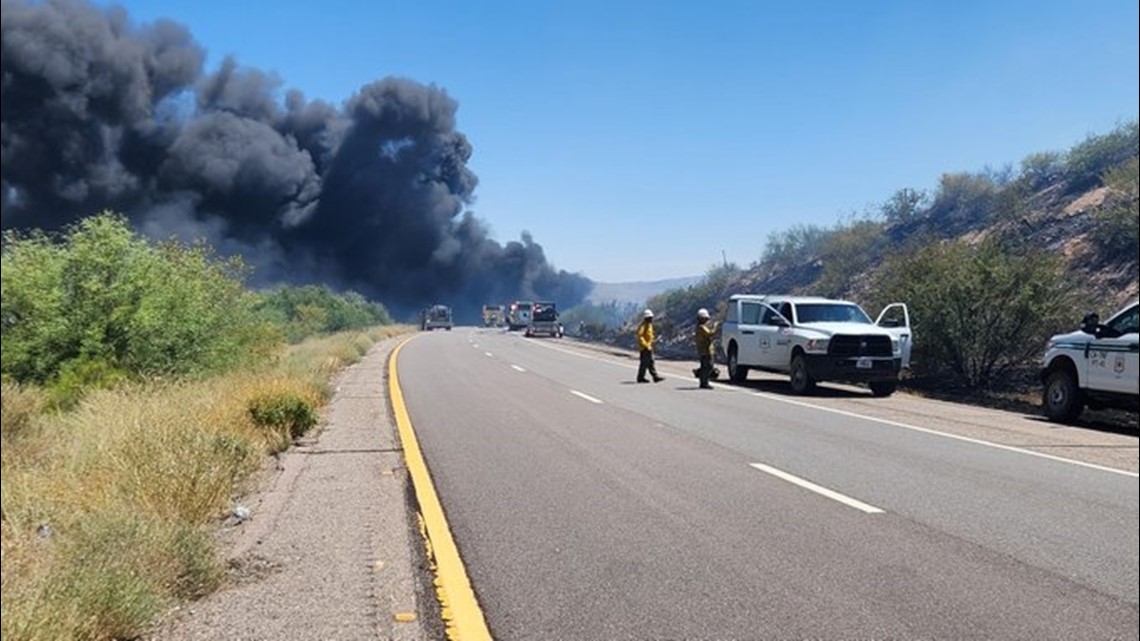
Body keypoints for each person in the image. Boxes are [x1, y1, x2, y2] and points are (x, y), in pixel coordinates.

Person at [636, 309, 664, 383]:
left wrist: (652, 342)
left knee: (651, 362)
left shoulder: (649, 325)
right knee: (644, 363)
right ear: (646, 318)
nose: (651, 319)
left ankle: (655, 377)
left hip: (649, 347)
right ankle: (640, 378)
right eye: (650, 317)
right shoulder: (643, 326)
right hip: (644, 348)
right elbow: (640, 336)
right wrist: (646, 345)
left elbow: (650, 335)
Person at [694, 308, 717, 389]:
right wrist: (715, 327)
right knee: (708, 366)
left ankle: (703, 381)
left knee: (706, 366)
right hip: (705, 350)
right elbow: (710, 334)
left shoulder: (701, 327)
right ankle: (704, 382)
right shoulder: (701, 327)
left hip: (705, 350)